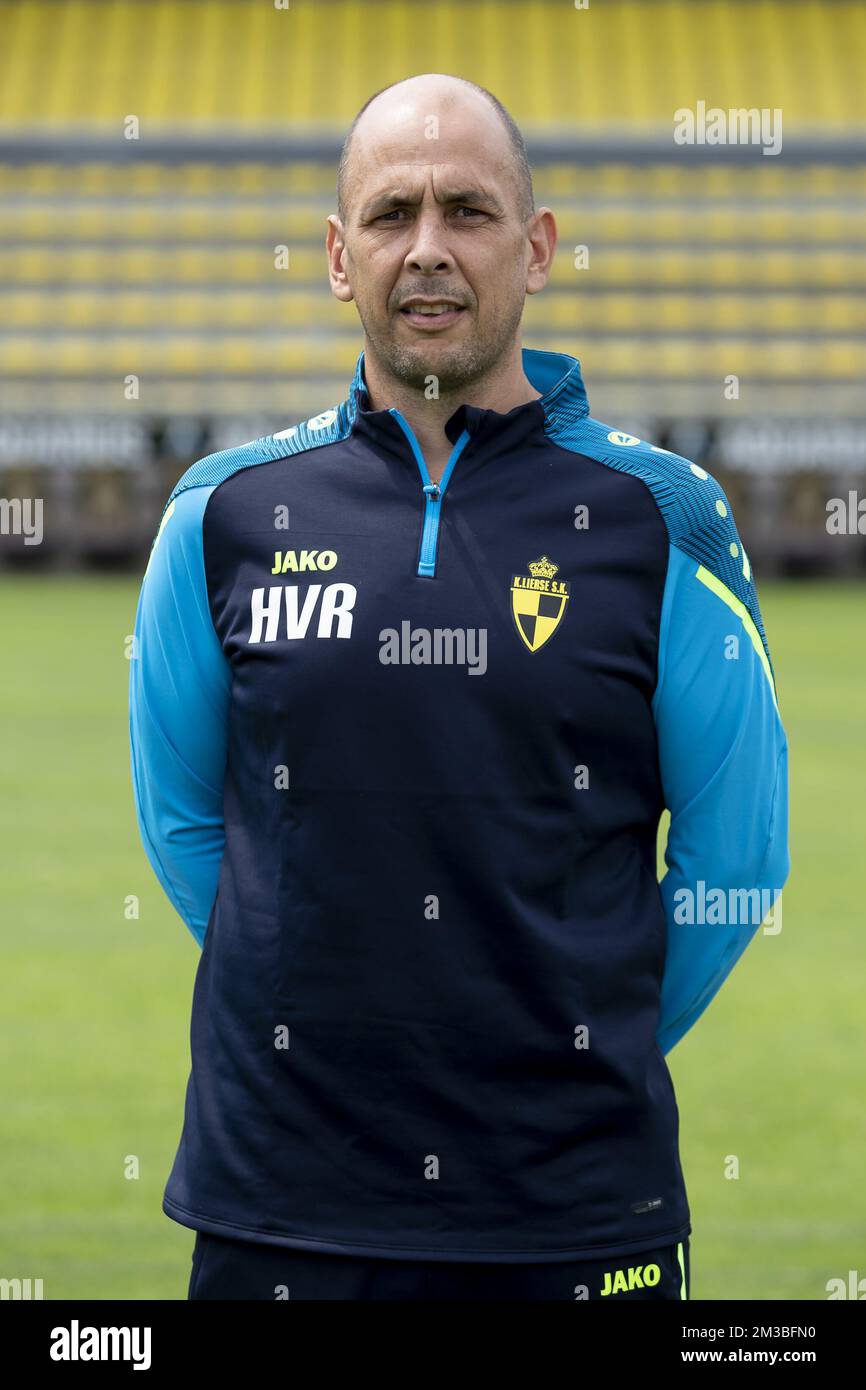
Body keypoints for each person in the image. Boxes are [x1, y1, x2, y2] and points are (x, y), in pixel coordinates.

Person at [128, 73, 789, 1301]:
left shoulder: (662, 518)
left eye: (467, 211)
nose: (425, 250)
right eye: (389, 216)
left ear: (534, 249)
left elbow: (737, 857)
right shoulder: (220, 516)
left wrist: (582, 1035)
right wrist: (319, 1008)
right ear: (337, 256)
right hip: (281, 1213)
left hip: (573, 1220)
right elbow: (183, 824)